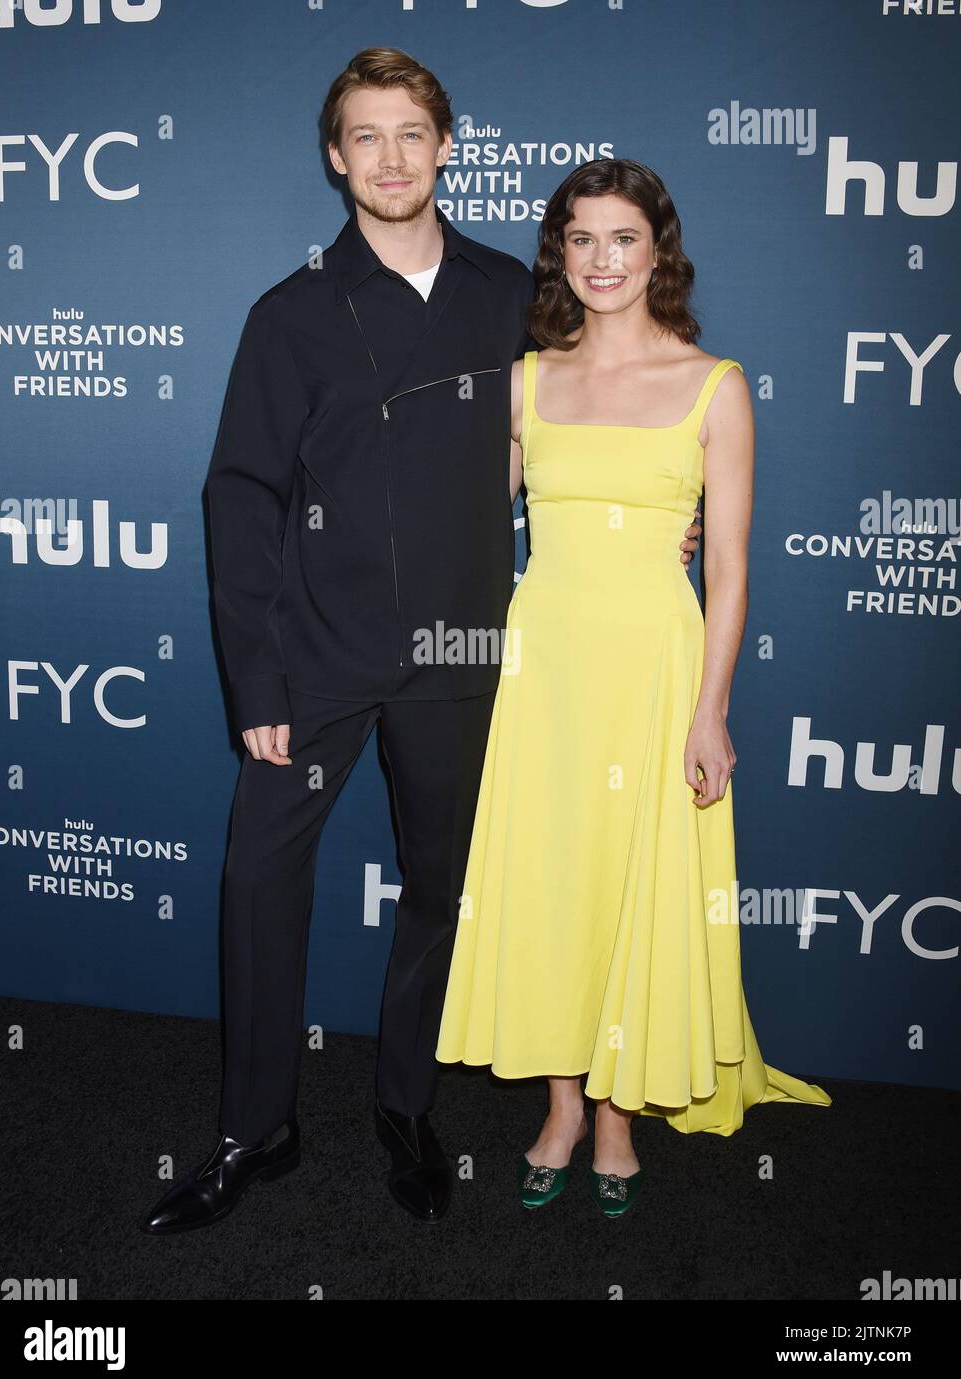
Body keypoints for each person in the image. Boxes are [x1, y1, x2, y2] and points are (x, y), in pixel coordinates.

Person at [140, 53, 703, 1236]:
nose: (392, 157)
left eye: (413, 134)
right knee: (255, 883)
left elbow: (601, 389)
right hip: (315, 660)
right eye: (367, 137)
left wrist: (658, 493)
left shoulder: (515, 296)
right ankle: (258, 1128)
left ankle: (407, 1112)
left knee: (442, 897)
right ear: (335, 157)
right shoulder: (287, 314)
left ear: (446, 147)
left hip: (465, 663)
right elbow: (239, 498)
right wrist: (257, 675)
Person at [436, 158, 831, 1218]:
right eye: (581, 238)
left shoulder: (715, 384)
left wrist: (712, 709)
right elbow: (473, 529)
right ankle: (562, 1106)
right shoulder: (527, 379)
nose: (601, 260)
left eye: (623, 239)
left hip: (656, 669)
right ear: (558, 253)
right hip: (544, 670)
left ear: (661, 252)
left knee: (631, 884)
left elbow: (732, 566)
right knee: (556, 882)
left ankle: (617, 1116)